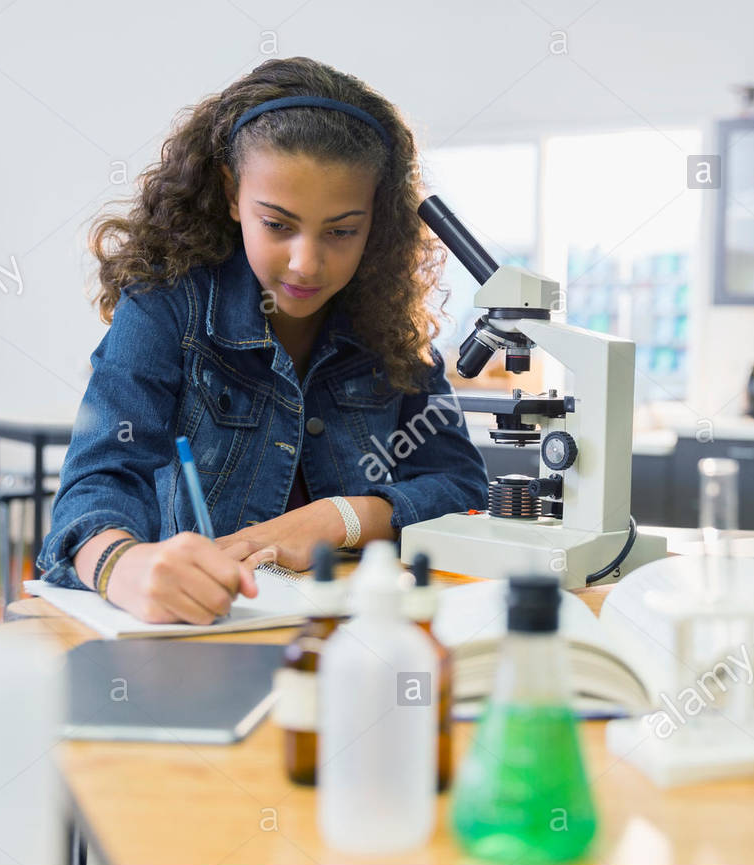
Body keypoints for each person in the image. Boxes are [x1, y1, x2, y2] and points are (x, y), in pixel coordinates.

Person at [36, 57, 487, 625]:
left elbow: (463, 489)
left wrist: (340, 518)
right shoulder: (167, 304)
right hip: (204, 638)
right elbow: (98, 482)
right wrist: (123, 565)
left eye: (342, 231)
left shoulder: (388, 323)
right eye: (277, 224)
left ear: (376, 219)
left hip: (352, 630)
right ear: (231, 193)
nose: (307, 263)